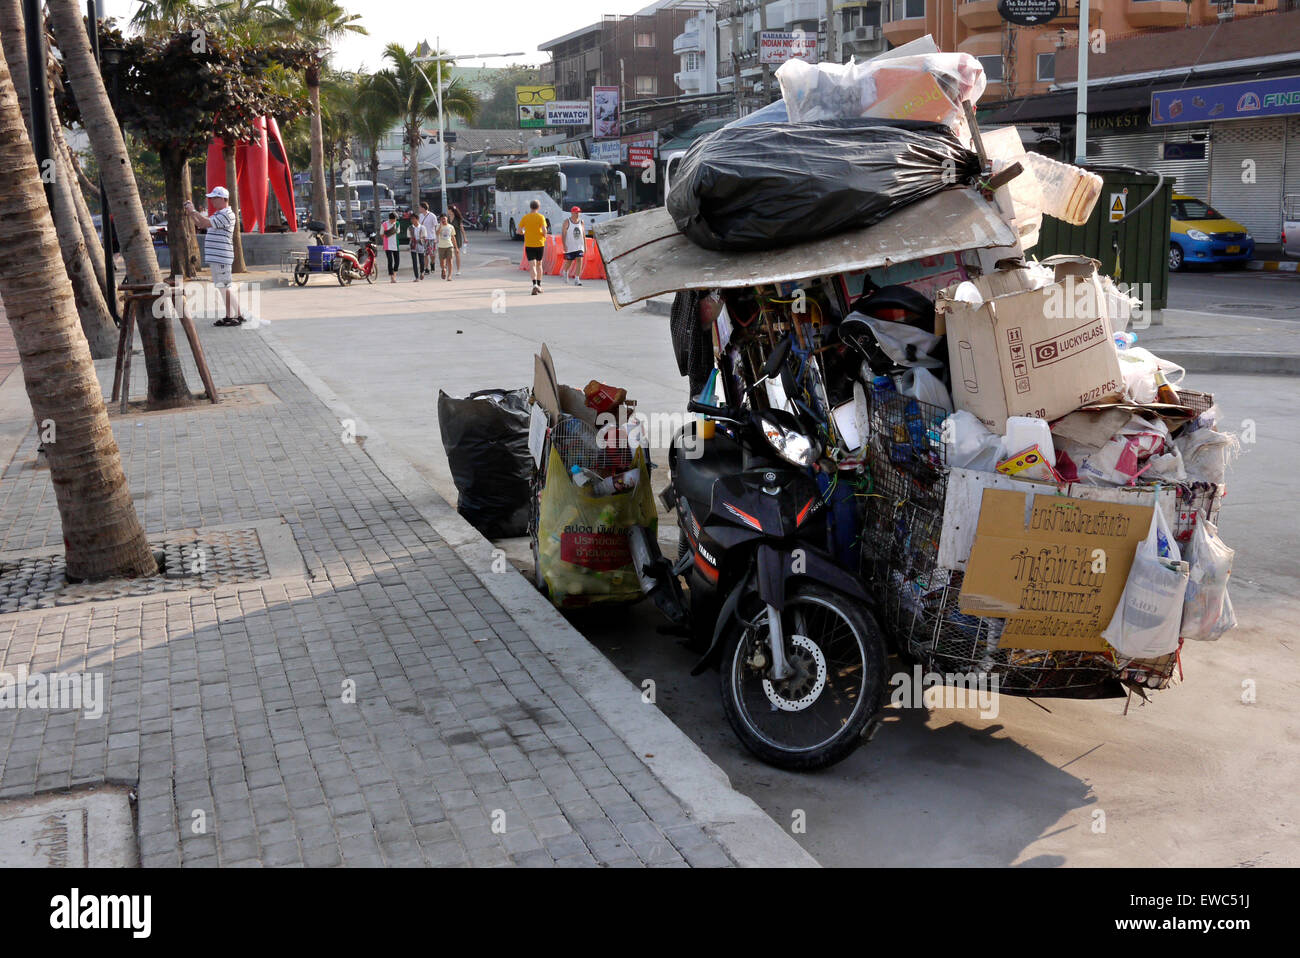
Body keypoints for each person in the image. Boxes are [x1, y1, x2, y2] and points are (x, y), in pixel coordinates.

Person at [183, 186, 245, 327]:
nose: (212, 201)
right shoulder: (218, 214)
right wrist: (191, 213)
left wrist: (193, 210)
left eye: (215, 198)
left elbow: (205, 222)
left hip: (221, 256)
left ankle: (235, 315)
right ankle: (235, 315)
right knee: (223, 287)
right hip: (218, 257)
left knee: (224, 287)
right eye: (211, 198)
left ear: (224, 199)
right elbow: (200, 224)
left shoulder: (226, 214)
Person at [519, 199, 548, 295]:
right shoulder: (541, 217)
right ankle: (539, 285)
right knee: (539, 264)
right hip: (540, 244)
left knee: (532, 265)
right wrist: (544, 236)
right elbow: (544, 231)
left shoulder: (525, 218)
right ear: (538, 207)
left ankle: (534, 284)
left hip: (529, 244)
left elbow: (519, 231)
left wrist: (525, 232)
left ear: (530, 207)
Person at [562, 206, 586, 286]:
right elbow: (563, 234)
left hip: (579, 246)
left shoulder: (581, 222)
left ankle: (577, 279)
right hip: (570, 246)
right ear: (572, 213)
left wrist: (585, 246)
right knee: (569, 261)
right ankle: (565, 272)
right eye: (576, 213)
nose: (578, 214)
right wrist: (564, 245)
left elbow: (583, 234)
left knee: (579, 260)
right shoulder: (567, 221)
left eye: (579, 212)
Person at [406, 210, 427, 281]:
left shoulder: (422, 227)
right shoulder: (409, 228)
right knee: (414, 261)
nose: (412, 220)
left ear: (417, 219)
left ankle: (422, 272)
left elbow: (425, 236)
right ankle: (416, 277)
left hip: (420, 244)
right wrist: (413, 238)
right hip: (413, 244)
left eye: (413, 219)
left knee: (421, 260)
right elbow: (409, 236)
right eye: (411, 219)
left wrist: (420, 238)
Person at [419, 201, 438, 278]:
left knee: (432, 254)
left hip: (431, 237)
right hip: (423, 238)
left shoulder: (432, 216)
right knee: (425, 254)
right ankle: (426, 268)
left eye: (420, 207)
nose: (419, 209)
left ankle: (432, 264)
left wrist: (436, 237)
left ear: (423, 208)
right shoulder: (420, 216)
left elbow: (436, 226)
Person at [380, 211, 400, 283]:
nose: (395, 220)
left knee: (397, 261)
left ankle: (394, 274)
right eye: (394, 219)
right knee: (390, 261)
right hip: (387, 245)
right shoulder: (384, 224)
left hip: (395, 244)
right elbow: (381, 234)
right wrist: (385, 240)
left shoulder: (397, 224)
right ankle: (392, 277)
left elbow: (398, 232)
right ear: (390, 219)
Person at [436, 214, 456, 281]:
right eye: (442, 219)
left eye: (444, 218)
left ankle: (449, 276)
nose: (443, 220)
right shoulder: (438, 226)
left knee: (450, 260)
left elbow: (453, 237)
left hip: (449, 245)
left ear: (447, 218)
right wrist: (440, 227)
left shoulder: (451, 227)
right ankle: (443, 269)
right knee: (442, 262)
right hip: (441, 246)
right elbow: (437, 233)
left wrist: (456, 247)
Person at [449, 205, 465, 273]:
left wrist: (465, 238)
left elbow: (462, 229)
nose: (447, 211)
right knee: (449, 254)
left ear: (451, 210)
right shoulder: (447, 218)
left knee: (457, 254)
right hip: (448, 238)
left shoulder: (458, 219)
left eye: (448, 209)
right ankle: (449, 269)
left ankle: (458, 270)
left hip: (457, 237)